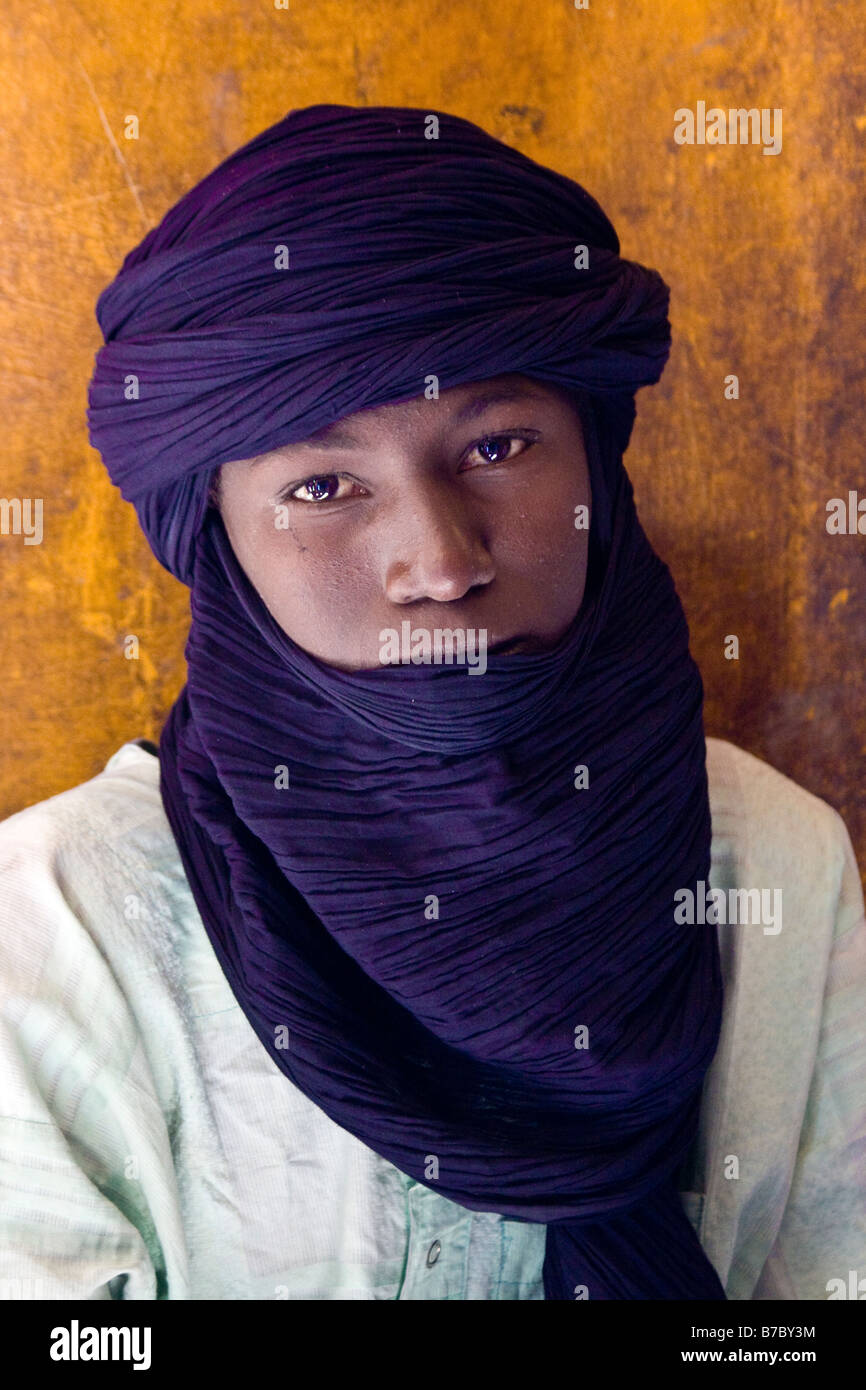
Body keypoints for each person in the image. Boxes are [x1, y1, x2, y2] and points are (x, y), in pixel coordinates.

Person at [0, 104, 863, 1302]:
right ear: (220, 546)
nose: (440, 561)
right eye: (321, 483)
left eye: (499, 447)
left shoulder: (771, 861)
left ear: (595, 465)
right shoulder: (59, 923)